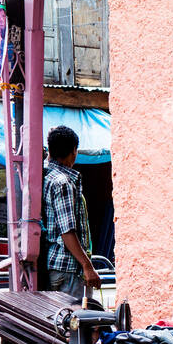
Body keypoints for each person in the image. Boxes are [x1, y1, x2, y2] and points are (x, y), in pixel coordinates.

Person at [41, 125, 102, 299]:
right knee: (75, 323)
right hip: (67, 269)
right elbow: (67, 231)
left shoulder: (46, 175)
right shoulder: (63, 182)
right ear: (74, 151)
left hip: (55, 267)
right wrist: (87, 266)